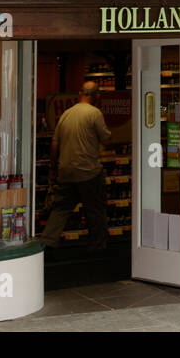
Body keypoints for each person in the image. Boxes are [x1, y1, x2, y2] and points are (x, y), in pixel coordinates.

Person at [39, 82, 112, 251]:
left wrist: (53, 167)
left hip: (66, 170)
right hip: (88, 171)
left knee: (61, 208)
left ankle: (47, 241)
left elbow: (55, 144)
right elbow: (106, 140)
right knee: (95, 209)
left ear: (80, 93)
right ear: (97, 96)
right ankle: (98, 246)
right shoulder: (94, 113)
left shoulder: (66, 114)